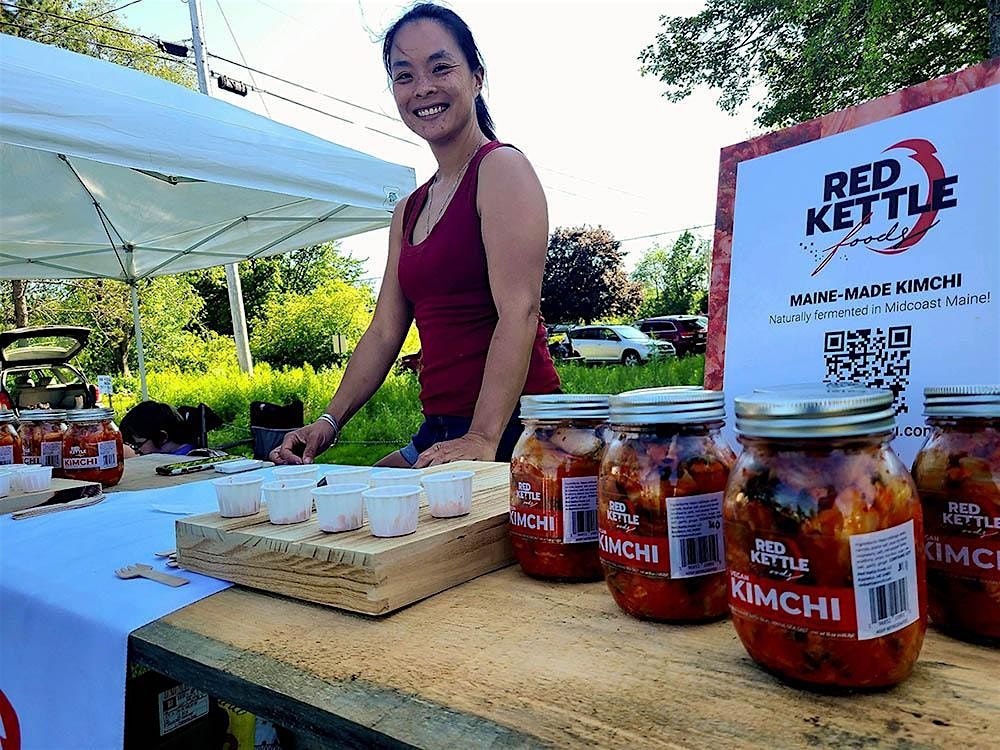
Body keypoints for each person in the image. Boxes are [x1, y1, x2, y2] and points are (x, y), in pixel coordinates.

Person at [275, 2, 559, 468]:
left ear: (476, 77)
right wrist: (327, 422)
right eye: (403, 75)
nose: (423, 87)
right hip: (442, 428)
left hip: (519, 427)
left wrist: (483, 439)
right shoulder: (408, 208)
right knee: (351, 505)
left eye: (441, 67)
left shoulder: (501, 168)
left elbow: (520, 312)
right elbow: (386, 331)